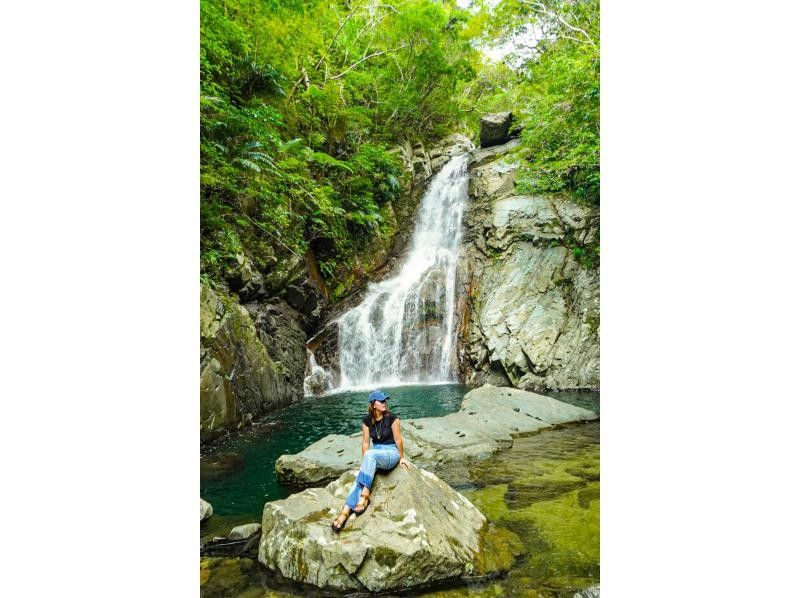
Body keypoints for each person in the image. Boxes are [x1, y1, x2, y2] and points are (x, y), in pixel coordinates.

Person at [331, 389, 411, 533]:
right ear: (374, 404)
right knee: (360, 477)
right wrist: (364, 463)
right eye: (381, 401)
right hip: (375, 454)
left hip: (391, 453)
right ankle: (344, 513)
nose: (384, 403)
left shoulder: (393, 418)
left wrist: (402, 457)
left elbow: (398, 439)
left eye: (385, 400)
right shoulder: (367, 420)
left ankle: (365, 495)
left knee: (370, 456)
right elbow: (365, 443)